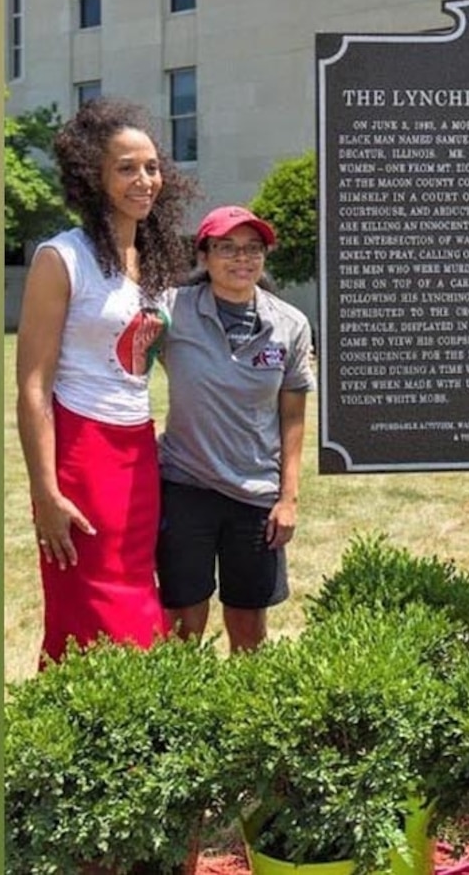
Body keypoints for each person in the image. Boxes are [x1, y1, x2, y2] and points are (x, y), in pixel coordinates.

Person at [14, 98, 199, 666]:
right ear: (92, 177)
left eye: (150, 167)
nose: (144, 180)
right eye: (125, 168)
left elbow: (161, 355)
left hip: (137, 450)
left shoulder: (157, 261)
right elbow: (32, 386)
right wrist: (46, 492)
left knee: (138, 595)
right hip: (80, 452)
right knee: (88, 610)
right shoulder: (61, 258)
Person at [156, 205, 316, 652]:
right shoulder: (172, 310)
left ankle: (247, 714)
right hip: (186, 486)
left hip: (256, 495)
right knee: (183, 622)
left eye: (252, 249)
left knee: (249, 626)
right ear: (204, 256)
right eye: (226, 248)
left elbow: (293, 417)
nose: (241, 259)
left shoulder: (290, 325)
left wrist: (288, 498)